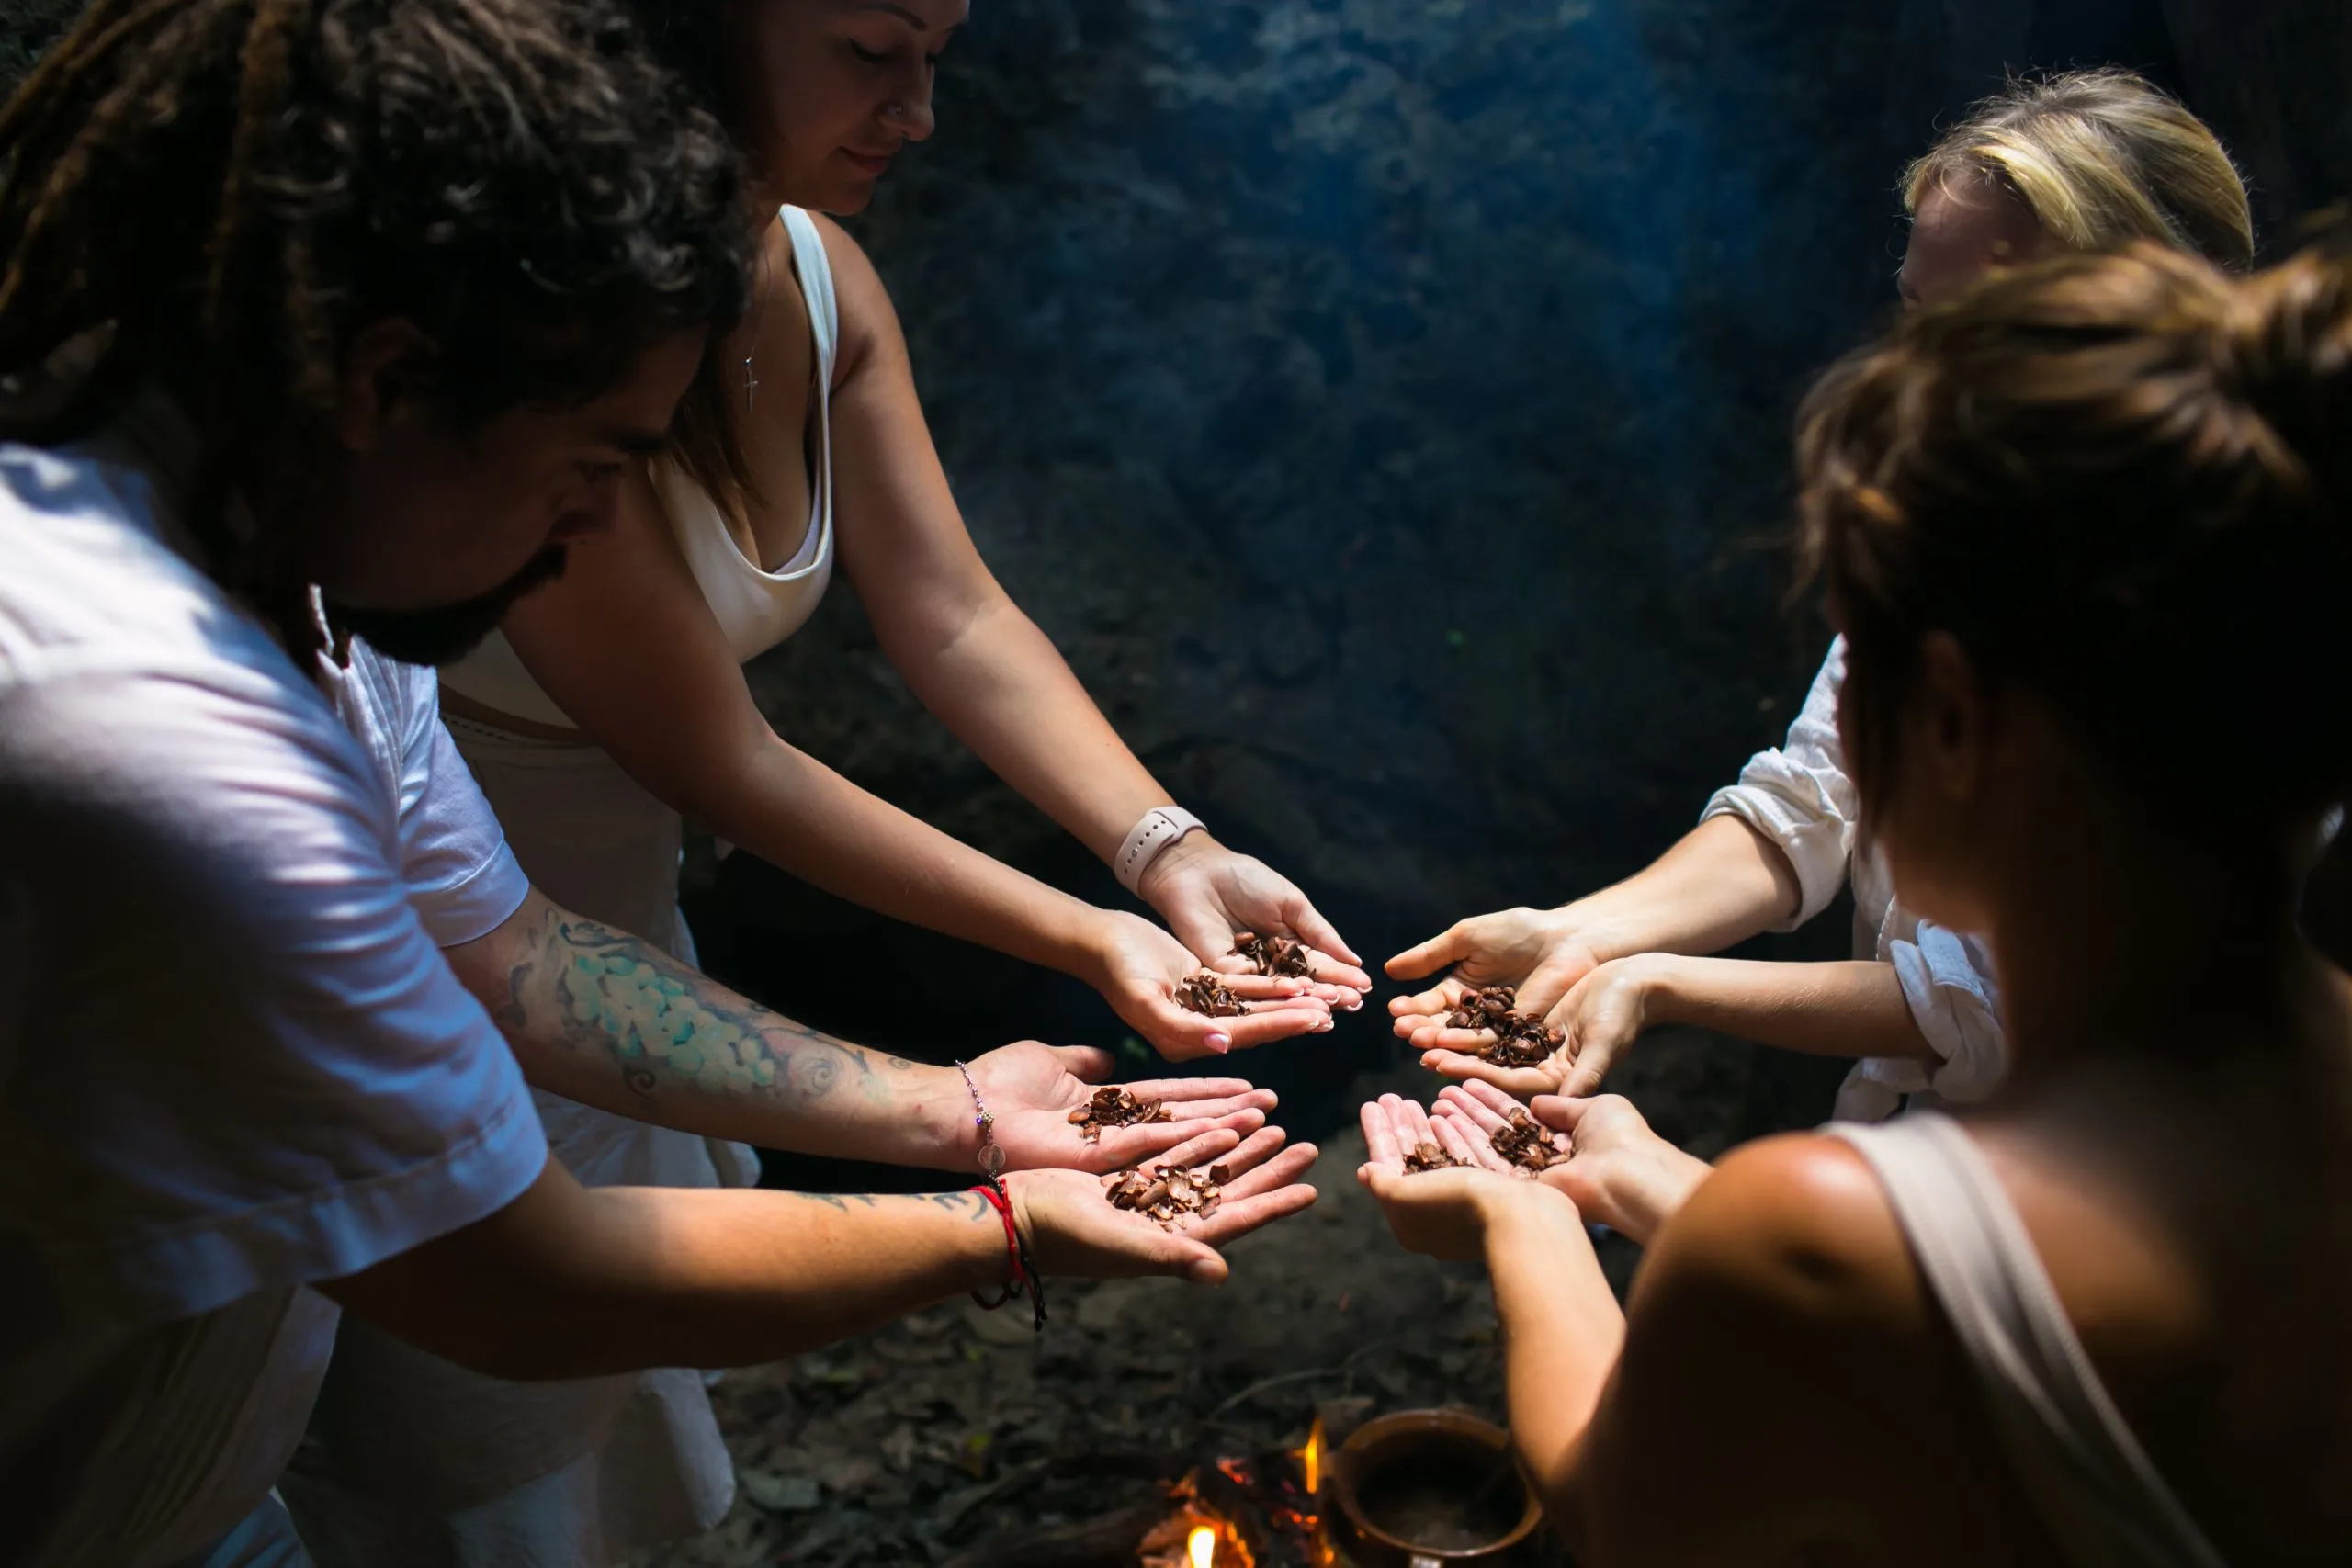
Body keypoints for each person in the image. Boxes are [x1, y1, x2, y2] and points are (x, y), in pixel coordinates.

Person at [0, 6, 1316, 1565]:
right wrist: (1003, 1231)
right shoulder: (164, 751)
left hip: (184, 1480)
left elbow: (523, 957)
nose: (588, 537)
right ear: (385, 379)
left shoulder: (322, 598)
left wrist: (959, 1109)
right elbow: (513, 1279)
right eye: (594, 466)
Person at [1362, 237, 2352, 1564]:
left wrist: (1525, 1216)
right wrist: (1653, 1171)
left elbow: (1616, 1497)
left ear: (1946, 718)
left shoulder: (1816, 1237)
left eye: (1856, 661)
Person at [1389, 70, 2256, 1121]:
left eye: (1986, 320)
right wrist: (1585, 932)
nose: (1923, 366)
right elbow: (1812, 797)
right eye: (1917, 313)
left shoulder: (2240, 594)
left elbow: (2009, 992)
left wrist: (1661, 984)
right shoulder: (1949, 527)